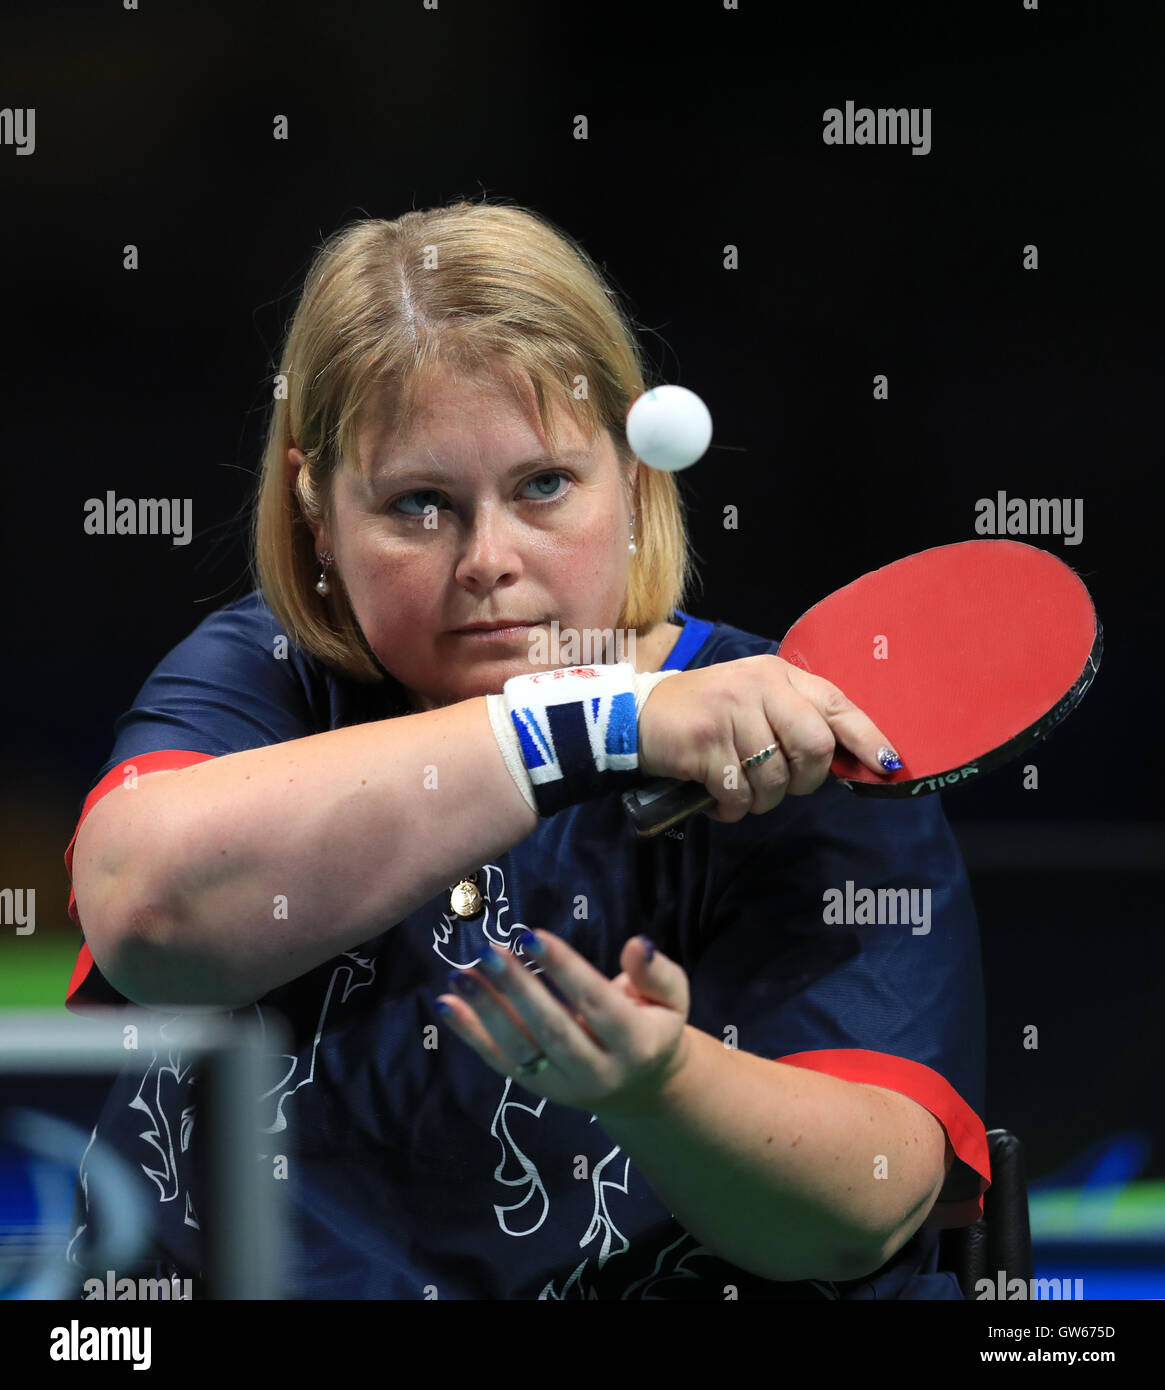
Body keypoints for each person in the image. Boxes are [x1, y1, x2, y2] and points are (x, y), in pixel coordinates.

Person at [62, 198, 989, 1300]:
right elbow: (148, 917)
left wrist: (661, 1083)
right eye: (417, 505)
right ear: (318, 510)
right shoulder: (260, 676)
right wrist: (603, 725)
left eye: (544, 485)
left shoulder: (788, 730)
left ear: (634, 475)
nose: (486, 559)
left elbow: (862, 1209)